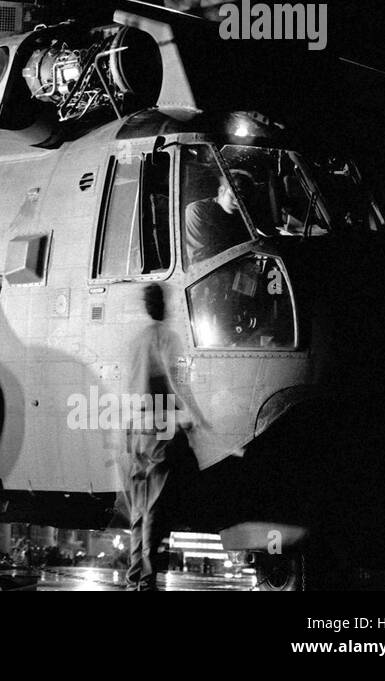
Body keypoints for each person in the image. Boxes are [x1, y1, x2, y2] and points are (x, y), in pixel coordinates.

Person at [121, 283, 204, 591]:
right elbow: (176, 382)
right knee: (155, 509)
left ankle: (133, 578)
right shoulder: (168, 338)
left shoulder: (136, 341)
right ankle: (146, 582)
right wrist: (195, 415)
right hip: (159, 428)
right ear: (163, 305)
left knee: (138, 509)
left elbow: (130, 385)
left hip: (136, 429)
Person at [183, 170, 250, 264]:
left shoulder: (240, 215)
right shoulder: (197, 211)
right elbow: (200, 260)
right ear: (221, 191)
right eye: (235, 194)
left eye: (243, 197)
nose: (238, 201)